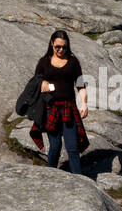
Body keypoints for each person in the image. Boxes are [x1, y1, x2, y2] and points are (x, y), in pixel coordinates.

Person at [31, 29, 89, 174]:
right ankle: (50, 175)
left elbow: (80, 85)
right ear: (52, 43)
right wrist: (43, 84)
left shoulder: (74, 62)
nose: (61, 50)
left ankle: (80, 181)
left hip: (69, 109)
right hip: (50, 109)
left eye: (64, 47)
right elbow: (35, 83)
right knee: (55, 146)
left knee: (72, 147)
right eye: (58, 46)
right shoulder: (43, 62)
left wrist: (84, 103)